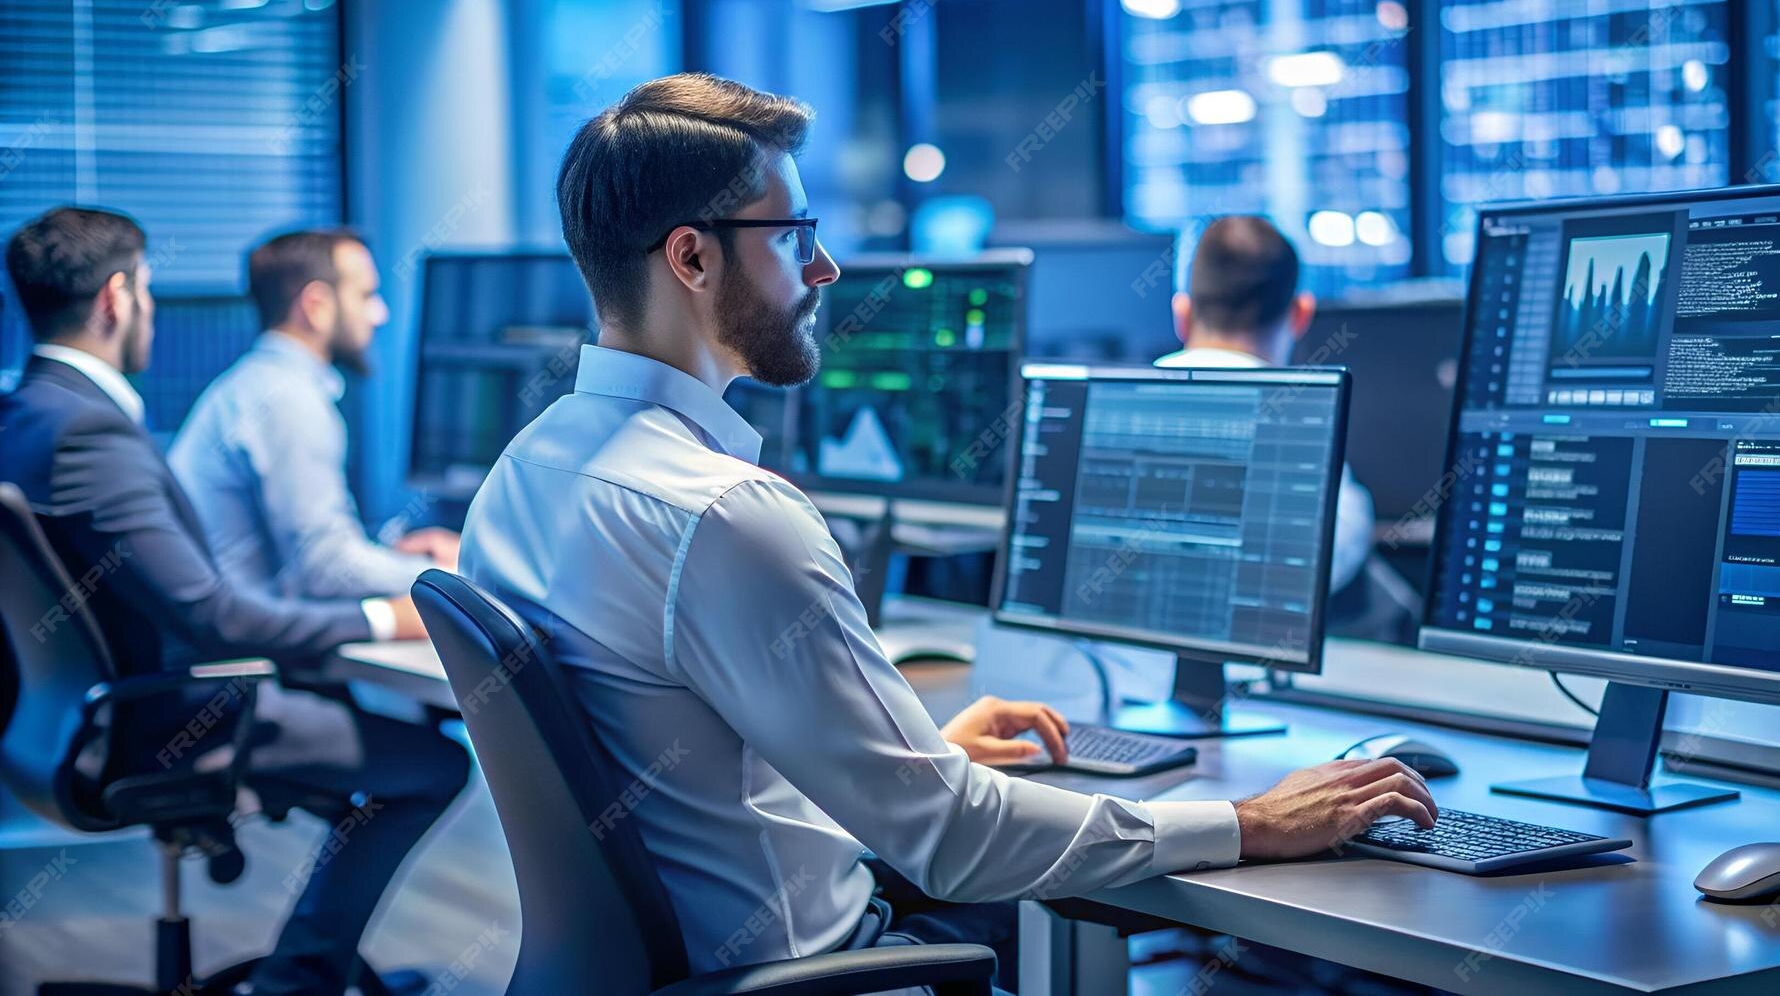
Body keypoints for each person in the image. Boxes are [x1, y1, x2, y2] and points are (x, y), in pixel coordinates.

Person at [458, 73, 1436, 985]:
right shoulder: (724, 515)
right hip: (822, 972)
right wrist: (1245, 822)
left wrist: (917, 755)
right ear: (692, 256)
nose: (826, 266)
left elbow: (682, 784)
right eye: (795, 233)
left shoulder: (521, 475)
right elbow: (955, 842)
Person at [0, 207, 470, 996]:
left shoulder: (26, 414)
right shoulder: (92, 433)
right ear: (118, 298)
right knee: (433, 762)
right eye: (149, 290)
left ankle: (304, 970)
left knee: (375, 731)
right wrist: (389, 614)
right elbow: (212, 618)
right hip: (164, 721)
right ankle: (298, 980)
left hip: (68, 716)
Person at [170, 228, 458, 602]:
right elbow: (325, 570)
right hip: (251, 651)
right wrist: (459, 576)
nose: (380, 314)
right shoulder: (287, 399)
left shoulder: (252, 385)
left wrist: (390, 555)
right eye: (366, 295)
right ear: (316, 305)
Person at [1158, 214, 1375, 593]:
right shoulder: (1301, 419)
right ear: (1301, 314)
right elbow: (1329, 561)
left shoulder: (1121, 397)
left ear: (1182, 314)